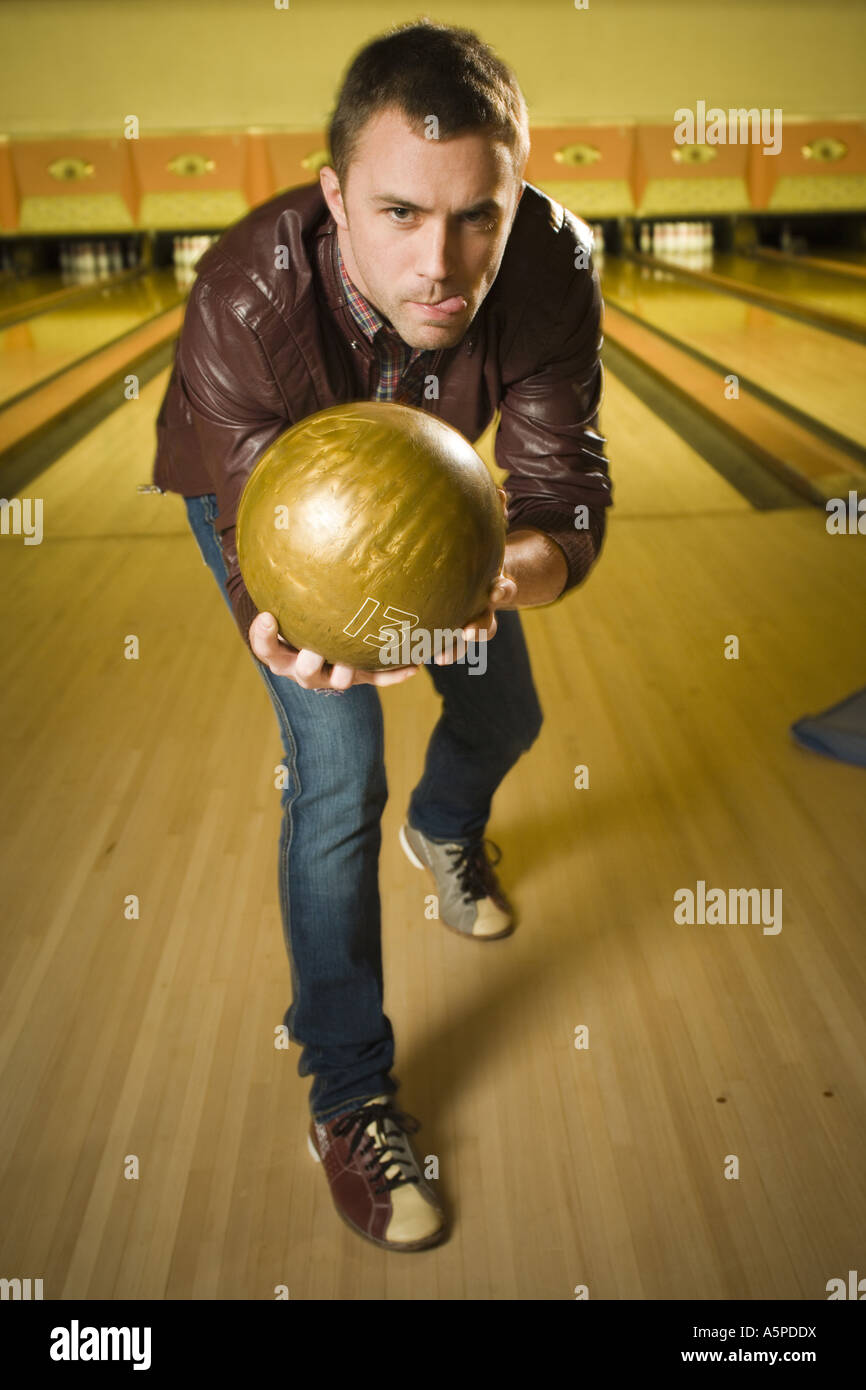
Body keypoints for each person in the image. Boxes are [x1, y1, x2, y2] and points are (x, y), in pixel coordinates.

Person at [152, 17, 612, 1253]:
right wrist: (287, 627)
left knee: (506, 709)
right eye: (400, 213)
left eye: (479, 215)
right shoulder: (247, 294)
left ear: (518, 193)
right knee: (339, 768)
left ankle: (446, 830)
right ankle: (347, 1094)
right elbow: (268, 540)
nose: (442, 262)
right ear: (333, 195)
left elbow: (563, 495)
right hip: (270, 506)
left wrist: (499, 581)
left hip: (443, 519)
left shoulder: (555, 265)